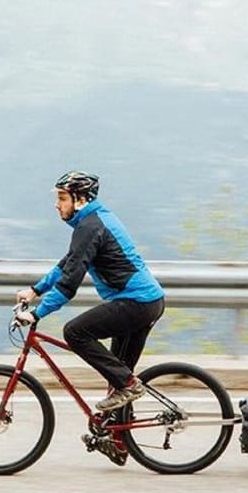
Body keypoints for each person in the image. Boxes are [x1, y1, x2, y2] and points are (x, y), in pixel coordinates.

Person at [14, 171, 166, 412]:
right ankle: (118, 441)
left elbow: (68, 284)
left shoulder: (90, 226)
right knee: (118, 378)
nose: (57, 205)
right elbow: (68, 263)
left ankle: (129, 386)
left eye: (63, 198)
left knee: (75, 332)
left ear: (81, 199)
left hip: (136, 303)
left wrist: (37, 314)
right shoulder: (92, 222)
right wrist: (35, 290)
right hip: (146, 302)